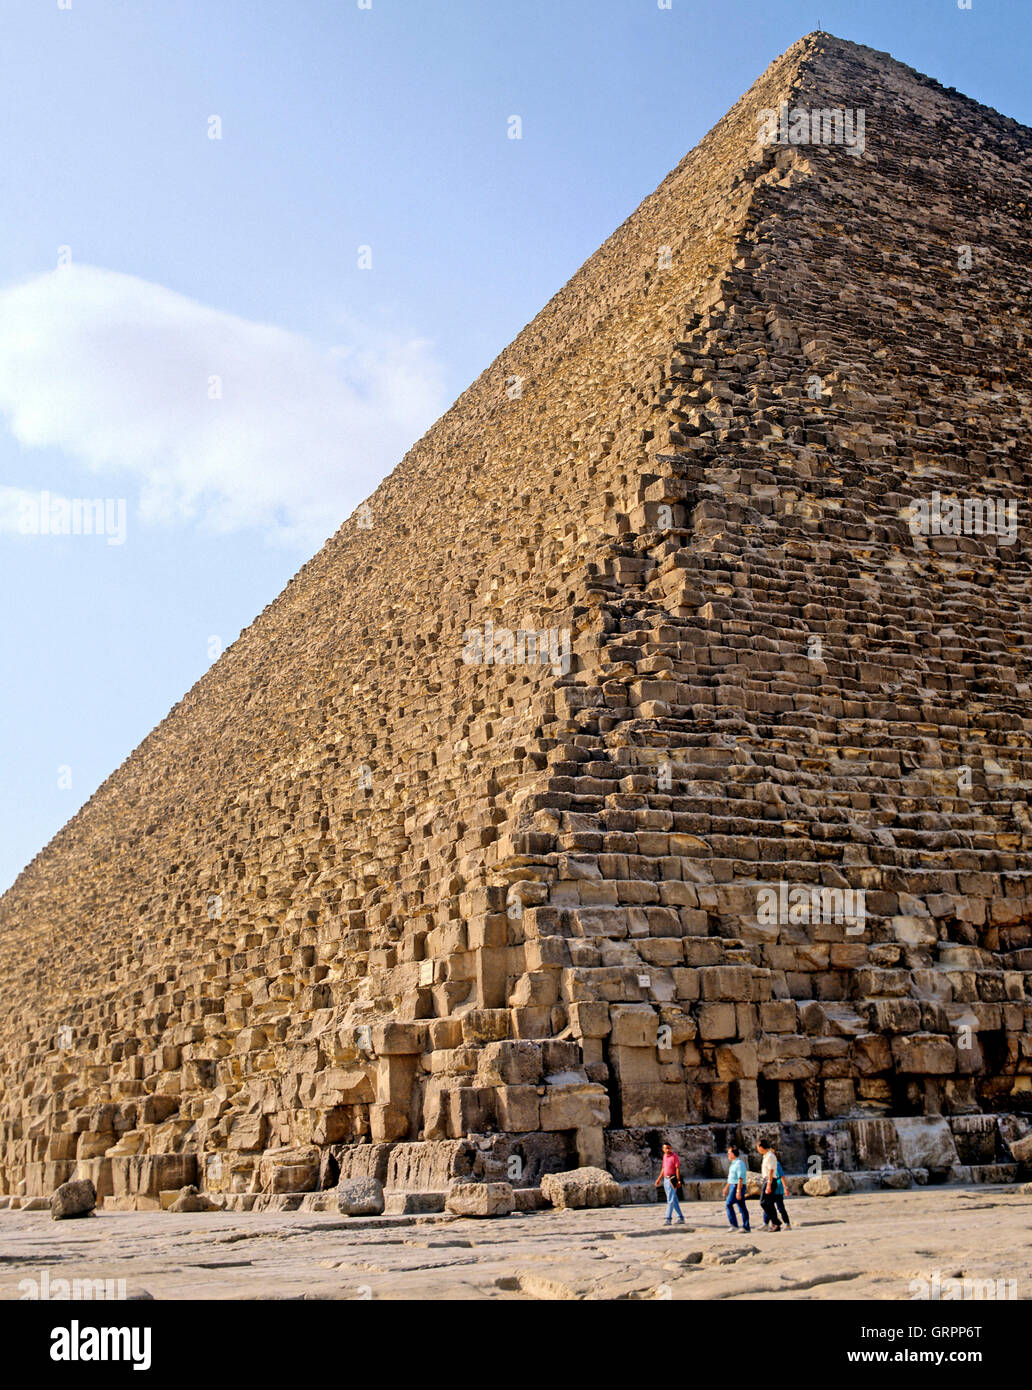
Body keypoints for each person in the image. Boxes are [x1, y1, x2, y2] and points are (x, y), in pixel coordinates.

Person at [654, 1142, 685, 1225]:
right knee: (673, 1200)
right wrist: (659, 1179)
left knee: (670, 1200)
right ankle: (681, 1217)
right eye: (666, 1148)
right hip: (666, 1180)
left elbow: (677, 1169)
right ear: (663, 1149)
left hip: (672, 1179)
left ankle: (668, 1219)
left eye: (669, 1148)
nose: (668, 1150)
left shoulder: (674, 1157)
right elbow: (663, 1168)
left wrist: (678, 1180)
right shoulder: (664, 1157)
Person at [757, 1138, 783, 1232]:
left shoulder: (770, 1156)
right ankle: (775, 1224)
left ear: (761, 1147)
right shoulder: (766, 1156)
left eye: (758, 1147)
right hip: (768, 1180)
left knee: (763, 1202)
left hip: (770, 1180)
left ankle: (776, 1222)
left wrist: (768, 1184)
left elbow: (771, 1170)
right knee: (769, 1203)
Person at [723, 1144, 750, 1232]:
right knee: (741, 1206)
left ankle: (734, 1225)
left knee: (728, 1204)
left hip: (737, 1187)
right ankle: (746, 1227)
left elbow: (740, 1178)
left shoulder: (739, 1163)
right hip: (732, 1186)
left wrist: (738, 1190)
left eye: (729, 1153)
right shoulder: (733, 1164)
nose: (728, 1155)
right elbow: (731, 1178)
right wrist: (726, 1188)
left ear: (734, 1154)